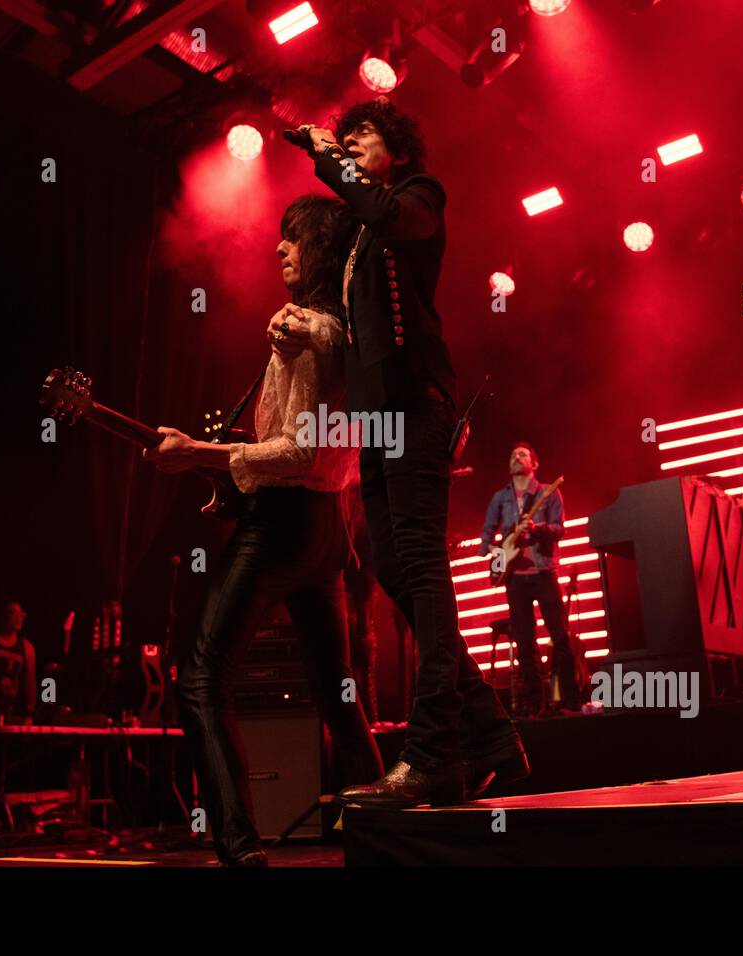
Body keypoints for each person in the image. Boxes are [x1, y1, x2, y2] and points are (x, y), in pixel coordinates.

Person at [275, 99, 528, 807]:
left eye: (365, 136)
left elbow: (388, 215)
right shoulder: (358, 227)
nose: (352, 144)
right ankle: (493, 736)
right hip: (375, 416)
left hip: (416, 399)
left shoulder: (418, 199)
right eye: (347, 135)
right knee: (392, 567)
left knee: (419, 562)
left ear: (400, 150)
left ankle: (430, 756)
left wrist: (330, 160)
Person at [143, 194, 382, 865]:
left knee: (198, 678)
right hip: (329, 529)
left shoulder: (301, 329)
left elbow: (295, 454)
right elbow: (318, 449)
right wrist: (229, 478)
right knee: (338, 690)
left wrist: (198, 455)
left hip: (283, 524)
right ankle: (394, 836)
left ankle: (239, 847)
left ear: (319, 252)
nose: (279, 250)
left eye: (292, 239)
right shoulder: (356, 330)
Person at [481, 442, 588, 715]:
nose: (517, 457)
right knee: (525, 643)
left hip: (543, 572)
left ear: (535, 464)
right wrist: (500, 552)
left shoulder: (548, 494)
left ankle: (570, 700)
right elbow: (485, 540)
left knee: (560, 637)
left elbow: (559, 529)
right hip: (515, 577)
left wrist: (538, 528)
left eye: (523, 454)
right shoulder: (499, 498)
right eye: (513, 454)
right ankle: (535, 704)